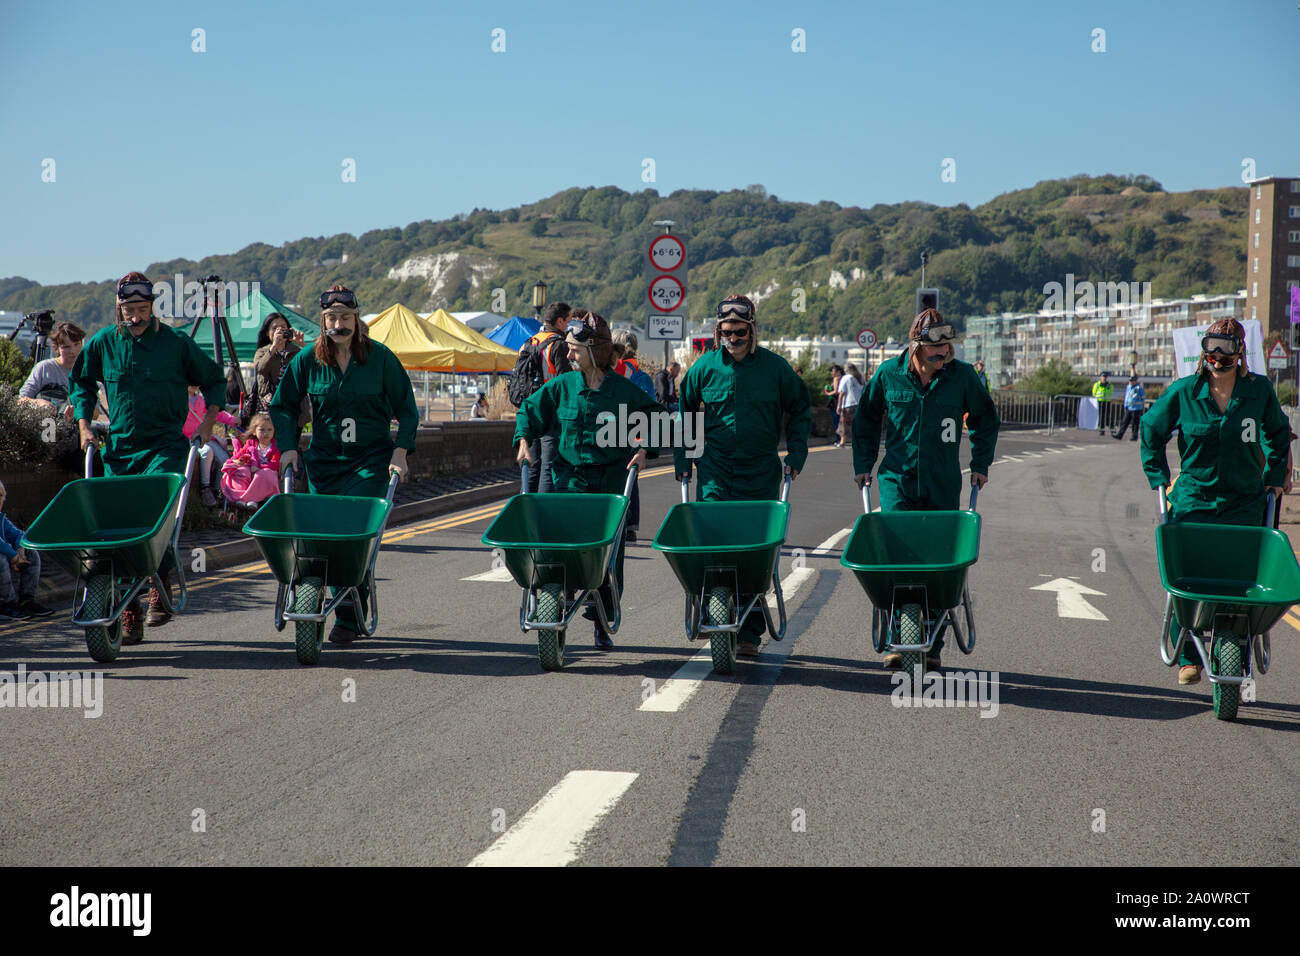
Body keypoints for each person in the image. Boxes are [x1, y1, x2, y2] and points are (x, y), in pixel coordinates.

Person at [68, 272, 226, 641]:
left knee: (154, 515)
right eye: (128, 310)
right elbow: (81, 383)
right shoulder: (105, 343)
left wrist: (207, 422)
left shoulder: (174, 343)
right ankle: (129, 606)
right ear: (118, 307)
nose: (135, 317)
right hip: (121, 450)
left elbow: (215, 378)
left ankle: (161, 579)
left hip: (165, 448)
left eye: (141, 309)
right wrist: (84, 425)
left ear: (153, 306)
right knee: (116, 527)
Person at [1140, 318, 1288, 685]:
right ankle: (1190, 653)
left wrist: (1274, 479)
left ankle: (1237, 636)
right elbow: (1150, 429)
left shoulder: (1259, 391)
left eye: (1225, 346)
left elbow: (1278, 433)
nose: (1217, 355)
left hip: (1244, 502)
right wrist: (1158, 477)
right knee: (1190, 577)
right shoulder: (1184, 392)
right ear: (1204, 349)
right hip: (1194, 501)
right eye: (1211, 345)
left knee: (1239, 579)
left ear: (1240, 350)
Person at [269, 284, 419, 644]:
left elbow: (407, 411)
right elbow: (282, 404)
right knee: (322, 539)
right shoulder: (308, 359)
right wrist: (288, 446)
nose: (339, 324)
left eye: (346, 318)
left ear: (357, 319)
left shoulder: (381, 358)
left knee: (352, 536)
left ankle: (350, 615)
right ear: (323, 322)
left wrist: (401, 452)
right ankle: (322, 599)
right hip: (324, 463)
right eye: (332, 318)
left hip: (369, 462)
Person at [853, 308, 1000, 670]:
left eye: (948, 347)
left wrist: (980, 464)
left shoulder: (962, 377)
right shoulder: (889, 374)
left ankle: (932, 644)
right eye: (936, 349)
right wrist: (863, 465)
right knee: (897, 559)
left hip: (942, 482)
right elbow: (866, 419)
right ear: (916, 347)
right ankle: (895, 637)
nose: (944, 354)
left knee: (938, 564)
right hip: (897, 482)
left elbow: (985, 419)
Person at [515, 313, 666, 649]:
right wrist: (524, 441)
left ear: (595, 351)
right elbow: (528, 410)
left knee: (607, 557)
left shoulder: (622, 391)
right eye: (568, 349)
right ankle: (558, 609)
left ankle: (601, 618)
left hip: (610, 485)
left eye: (574, 350)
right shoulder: (562, 386)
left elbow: (657, 417)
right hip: (570, 483)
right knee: (564, 551)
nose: (568, 356)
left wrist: (644, 450)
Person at [674, 294, 811, 658]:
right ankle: (712, 613)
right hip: (715, 475)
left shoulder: (776, 369)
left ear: (752, 331)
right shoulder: (703, 369)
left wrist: (796, 453)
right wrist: (682, 459)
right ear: (718, 331)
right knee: (713, 549)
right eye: (726, 333)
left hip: (760, 476)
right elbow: (683, 412)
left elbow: (800, 409)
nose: (732, 340)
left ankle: (750, 630)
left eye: (740, 333)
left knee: (753, 555)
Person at [521, 302, 574, 493]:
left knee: (532, 465)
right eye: (568, 321)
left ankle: (526, 509)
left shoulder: (529, 342)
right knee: (548, 466)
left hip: (529, 410)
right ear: (560, 321)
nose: (569, 326)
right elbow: (566, 382)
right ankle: (544, 513)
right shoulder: (558, 345)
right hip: (550, 413)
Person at [612, 330, 657, 543]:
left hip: (612, 432)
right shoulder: (641, 376)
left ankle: (614, 522)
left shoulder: (608, 372)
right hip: (634, 435)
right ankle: (630, 527)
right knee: (631, 480)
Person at [0, 480, 53, 620]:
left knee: (31, 552)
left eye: (0, 495)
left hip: (11, 556)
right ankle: (6, 604)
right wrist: (13, 556)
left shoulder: (1, 520)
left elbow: (20, 535)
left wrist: (21, 550)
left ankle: (26, 600)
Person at [184, 385, 243, 507]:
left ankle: (220, 491)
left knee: (225, 460)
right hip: (191, 439)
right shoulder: (180, 399)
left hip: (206, 437)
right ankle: (205, 487)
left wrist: (232, 419)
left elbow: (218, 414)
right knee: (207, 451)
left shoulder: (202, 400)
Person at [18, 320, 85, 422]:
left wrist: (76, 413)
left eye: (76, 344)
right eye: (66, 347)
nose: (73, 351)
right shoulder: (44, 368)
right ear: (56, 348)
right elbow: (21, 400)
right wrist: (40, 403)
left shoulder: (85, 372)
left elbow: (96, 411)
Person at [221, 413, 281, 509]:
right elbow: (242, 453)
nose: (266, 433)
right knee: (242, 472)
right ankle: (240, 496)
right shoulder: (251, 442)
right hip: (250, 467)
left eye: (270, 430)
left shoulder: (275, 446)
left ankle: (254, 499)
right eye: (262, 430)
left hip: (265, 469)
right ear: (254, 432)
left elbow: (275, 463)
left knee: (263, 475)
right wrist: (239, 459)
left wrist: (259, 468)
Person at [252, 312, 306, 417]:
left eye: (283, 327)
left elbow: (315, 364)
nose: (279, 331)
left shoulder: (296, 351)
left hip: (292, 405)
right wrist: (274, 346)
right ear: (267, 333)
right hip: (269, 405)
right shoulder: (262, 352)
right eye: (275, 328)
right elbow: (260, 369)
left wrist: (303, 346)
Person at [838, 363, 865, 450]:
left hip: (848, 404)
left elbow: (842, 392)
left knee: (844, 424)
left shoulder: (846, 378)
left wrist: (838, 405)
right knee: (857, 424)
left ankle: (842, 442)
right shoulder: (860, 377)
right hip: (859, 404)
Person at [1113, 375, 1146, 441]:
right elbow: (1127, 397)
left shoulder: (1139, 388)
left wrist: (1139, 403)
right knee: (1124, 422)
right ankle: (1120, 435)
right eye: (1130, 381)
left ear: (1135, 381)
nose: (1131, 382)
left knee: (1135, 423)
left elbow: (1143, 397)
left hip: (1136, 408)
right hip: (1129, 408)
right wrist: (1125, 405)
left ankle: (1134, 436)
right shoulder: (1128, 387)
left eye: (1132, 381)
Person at [1092, 371, 1114, 435]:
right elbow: (1094, 393)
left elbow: (1111, 392)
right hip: (1100, 401)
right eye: (1103, 376)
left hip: (1107, 401)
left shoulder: (1110, 385)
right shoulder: (1097, 384)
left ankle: (1112, 429)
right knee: (1101, 416)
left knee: (1108, 416)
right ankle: (1102, 430)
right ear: (1101, 377)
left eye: (1105, 377)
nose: (1104, 378)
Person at [827, 365, 843, 444]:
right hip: (841, 402)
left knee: (836, 421)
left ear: (838, 371)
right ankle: (841, 438)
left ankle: (839, 439)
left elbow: (836, 391)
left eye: (832, 371)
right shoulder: (843, 378)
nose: (831, 373)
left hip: (835, 402)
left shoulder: (836, 378)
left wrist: (828, 393)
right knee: (840, 421)